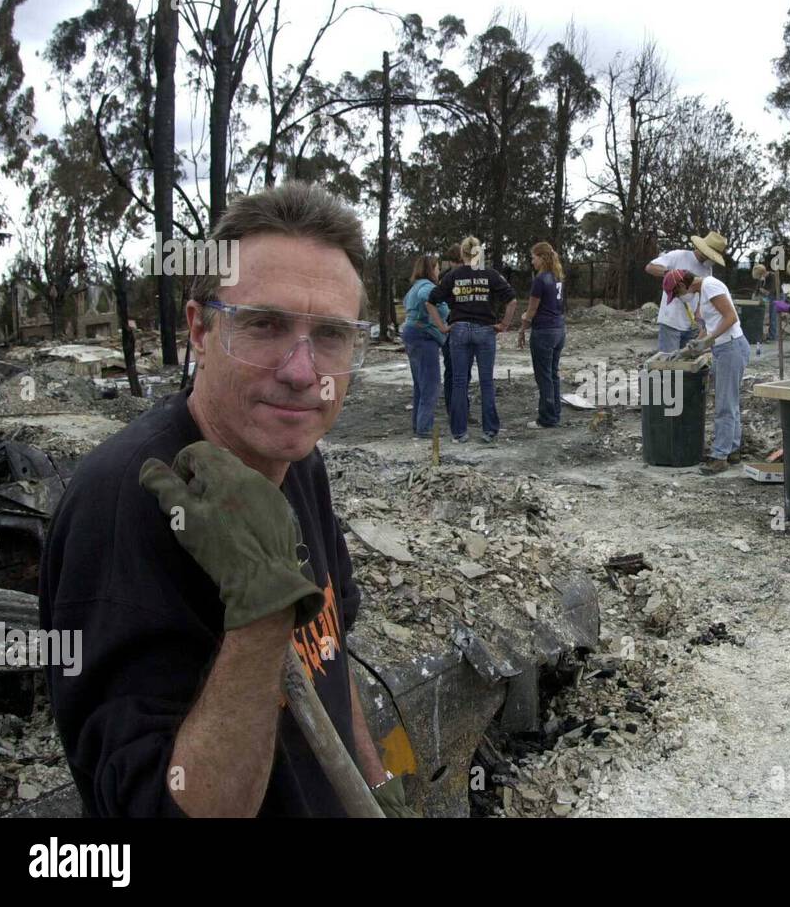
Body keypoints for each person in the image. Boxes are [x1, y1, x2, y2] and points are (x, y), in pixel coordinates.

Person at [38, 182, 413, 818]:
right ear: (199, 330)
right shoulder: (123, 505)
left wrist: (378, 789)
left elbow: (328, 651)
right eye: (264, 325)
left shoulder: (298, 460)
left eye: (330, 335)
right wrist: (262, 615)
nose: (301, 371)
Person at [429, 236, 518, 444]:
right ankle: (489, 431)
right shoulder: (490, 274)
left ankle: (459, 433)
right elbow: (512, 300)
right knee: (486, 382)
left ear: (462, 253)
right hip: (485, 330)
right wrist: (504, 324)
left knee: (459, 382)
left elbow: (430, 301)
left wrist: (442, 327)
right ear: (479, 252)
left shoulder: (453, 276)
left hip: (459, 330)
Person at [681, 268, 749, 474]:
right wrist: (693, 345)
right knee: (730, 401)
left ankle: (720, 456)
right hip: (724, 348)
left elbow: (730, 317)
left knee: (724, 405)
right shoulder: (704, 291)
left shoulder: (710, 285)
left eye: (677, 293)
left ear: (684, 285)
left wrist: (708, 341)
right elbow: (710, 326)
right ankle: (732, 449)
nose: (680, 297)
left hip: (730, 347)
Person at [645, 231, 727, 352]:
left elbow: (703, 291)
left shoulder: (707, 269)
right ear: (702, 249)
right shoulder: (679, 256)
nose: (711, 259)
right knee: (669, 364)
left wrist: (699, 311)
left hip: (691, 323)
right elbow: (650, 267)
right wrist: (672, 275)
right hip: (671, 321)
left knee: (687, 362)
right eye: (710, 255)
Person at [400, 254, 450, 437]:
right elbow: (427, 299)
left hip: (412, 334)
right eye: (436, 267)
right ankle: (424, 428)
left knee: (420, 384)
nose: (438, 271)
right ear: (431, 269)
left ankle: (418, 423)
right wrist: (440, 312)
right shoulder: (427, 287)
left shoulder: (414, 287)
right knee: (431, 383)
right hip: (424, 336)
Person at [518, 241, 566, 429]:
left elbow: (531, 310)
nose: (532, 261)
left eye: (533, 257)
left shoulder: (540, 280)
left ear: (541, 257)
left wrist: (522, 328)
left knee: (543, 375)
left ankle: (546, 418)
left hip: (544, 331)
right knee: (553, 373)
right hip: (559, 329)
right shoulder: (558, 277)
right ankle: (555, 413)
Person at [438, 243, 469, 415]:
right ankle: (455, 408)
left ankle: (459, 407)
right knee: (454, 369)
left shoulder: (448, 276)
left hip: (457, 324)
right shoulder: (446, 278)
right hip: (453, 325)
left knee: (459, 370)